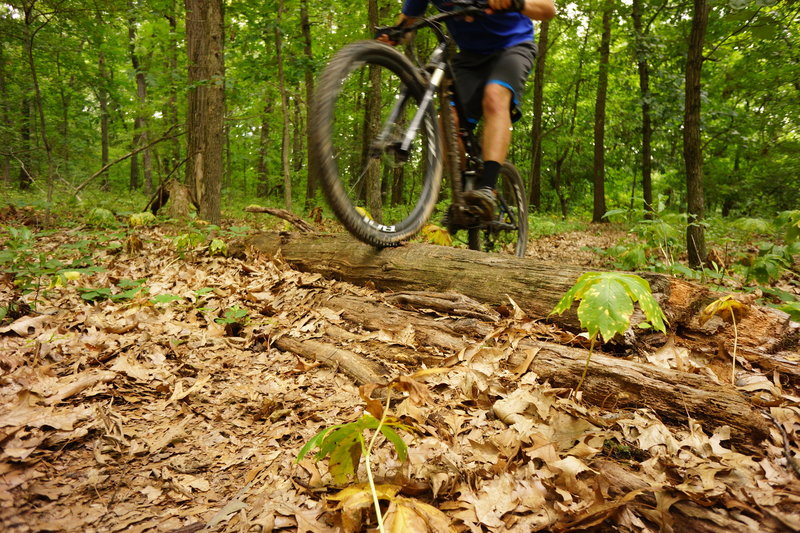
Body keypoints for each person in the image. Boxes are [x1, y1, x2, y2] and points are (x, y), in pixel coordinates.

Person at [389, 0, 556, 220]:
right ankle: (463, 195)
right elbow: (406, 21)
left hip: (513, 46)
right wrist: (393, 34)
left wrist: (514, 2)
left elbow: (547, 9)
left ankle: (487, 187)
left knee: (495, 96)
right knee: (448, 121)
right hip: (469, 56)